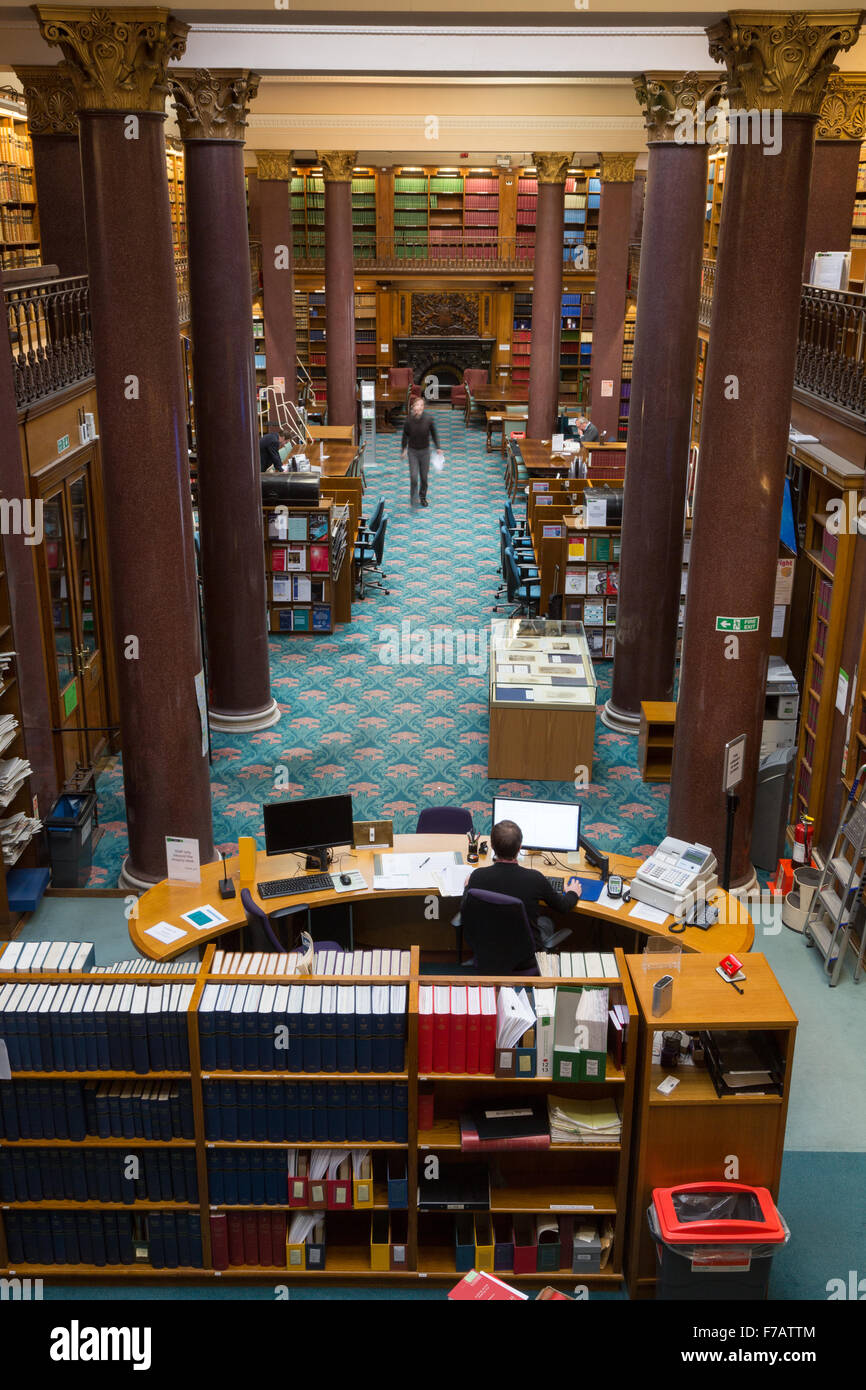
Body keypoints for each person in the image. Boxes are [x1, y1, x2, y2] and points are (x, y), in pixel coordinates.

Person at [463, 818, 582, 949]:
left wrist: (467, 886)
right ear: (519, 848)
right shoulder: (535, 879)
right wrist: (573, 892)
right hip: (525, 954)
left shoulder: (477, 876)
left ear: (492, 846)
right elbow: (563, 907)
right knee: (545, 922)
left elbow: (465, 909)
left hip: (487, 948)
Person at [400, 394, 440, 508]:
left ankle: (422, 497)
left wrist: (438, 447)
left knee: (424, 477)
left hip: (425, 452)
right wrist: (403, 449)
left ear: (423, 407)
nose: (419, 407)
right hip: (412, 452)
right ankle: (413, 497)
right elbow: (405, 436)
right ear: (413, 407)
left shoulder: (428, 419)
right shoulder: (408, 420)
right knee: (413, 477)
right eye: (417, 405)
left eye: (421, 405)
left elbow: (434, 433)